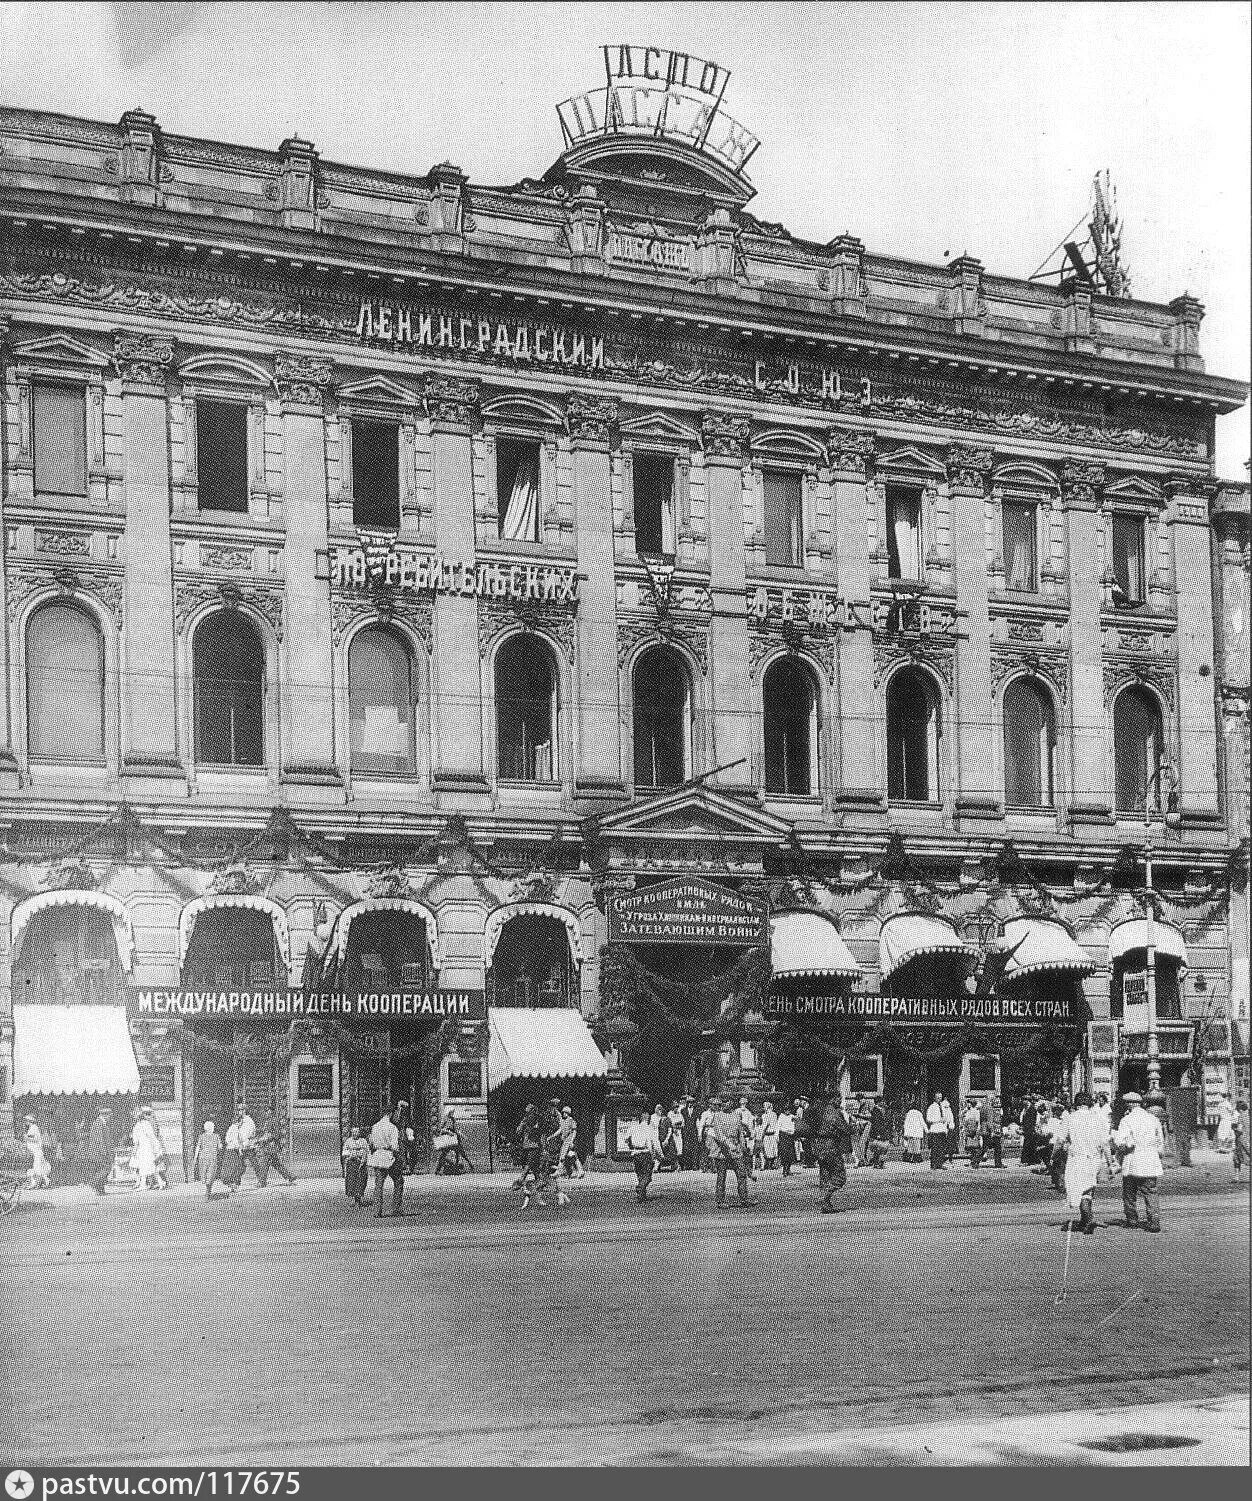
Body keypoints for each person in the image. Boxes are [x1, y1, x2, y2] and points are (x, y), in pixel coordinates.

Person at [1056, 1091, 1112, 1234]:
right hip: (1094, 1158)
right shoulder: (1098, 1118)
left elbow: (1060, 1140)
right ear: (1090, 1103)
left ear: (1076, 1103)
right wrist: (1110, 1161)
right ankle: (1085, 1218)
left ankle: (1088, 1219)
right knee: (1088, 1189)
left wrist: (1053, 1155)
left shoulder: (1070, 1118)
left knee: (1078, 1188)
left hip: (1077, 1158)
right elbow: (1105, 1143)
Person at [1113, 1091, 1164, 1232]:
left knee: (1129, 1193)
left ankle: (1132, 1219)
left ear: (1129, 1105)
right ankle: (1154, 1221)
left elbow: (1120, 1143)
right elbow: (1160, 1142)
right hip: (1150, 1160)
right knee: (1150, 1192)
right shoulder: (1153, 1119)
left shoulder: (1126, 1120)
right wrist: (1158, 1155)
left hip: (1133, 1160)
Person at [812, 1093, 853, 1212]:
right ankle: (825, 1198)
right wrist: (856, 1126)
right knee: (840, 1175)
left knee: (825, 1174)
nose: (840, 1101)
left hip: (818, 1147)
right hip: (831, 1148)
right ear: (833, 1099)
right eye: (839, 1099)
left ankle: (825, 1202)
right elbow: (846, 1129)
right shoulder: (835, 1114)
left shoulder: (821, 1112)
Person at [709, 1096, 752, 1208]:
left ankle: (744, 1199)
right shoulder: (717, 1116)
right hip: (722, 1150)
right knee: (721, 1176)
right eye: (722, 1102)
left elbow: (740, 1133)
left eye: (726, 1102)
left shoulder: (736, 1115)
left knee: (742, 1174)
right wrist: (729, 1145)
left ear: (731, 1102)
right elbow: (719, 1134)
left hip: (736, 1149)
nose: (724, 1104)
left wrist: (743, 1146)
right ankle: (720, 1201)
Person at [368, 1101, 407, 1219]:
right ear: (390, 1114)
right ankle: (396, 1208)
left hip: (378, 1156)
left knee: (378, 1184)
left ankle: (377, 1211)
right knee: (398, 1181)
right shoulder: (392, 1127)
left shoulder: (375, 1127)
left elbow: (371, 1143)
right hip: (389, 1157)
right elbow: (395, 1146)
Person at [625, 1107, 659, 1202]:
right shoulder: (649, 1129)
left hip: (635, 1154)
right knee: (647, 1176)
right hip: (645, 1153)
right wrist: (653, 1155)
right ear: (647, 1119)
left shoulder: (634, 1127)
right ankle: (640, 1188)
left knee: (639, 1174)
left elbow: (626, 1139)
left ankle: (642, 1196)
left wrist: (631, 1146)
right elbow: (650, 1144)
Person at [255, 1108, 297, 1185]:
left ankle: (262, 1182)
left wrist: (264, 1139)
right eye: (266, 1112)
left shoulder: (274, 1121)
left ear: (271, 1112)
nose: (266, 1113)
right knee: (276, 1164)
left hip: (271, 1146)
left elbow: (276, 1134)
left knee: (264, 1164)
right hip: (268, 1147)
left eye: (267, 1111)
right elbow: (267, 1133)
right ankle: (290, 1177)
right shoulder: (267, 1121)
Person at [130, 1105, 163, 1191]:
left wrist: (134, 1150)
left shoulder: (139, 1125)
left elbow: (136, 1141)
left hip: (144, 1148)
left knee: (145, 1166)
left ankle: (144, 1184)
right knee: (150, 1167)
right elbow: (152, 1137)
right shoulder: (145, 1124)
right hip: (147, 1147)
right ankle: (159, 1182)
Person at [433, 1109, 474, 1175]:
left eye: (453, 1112)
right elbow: (441, 1129)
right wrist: (448, 1132)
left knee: (460, 1152)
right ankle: (438, 1170)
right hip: (447, 1138)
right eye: (451, 1112)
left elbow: (456, 1129)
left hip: (454, 1138)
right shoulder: (445, 1119)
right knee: (443, 1154)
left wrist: (462, 1135)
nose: (452, 1113)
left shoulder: (453, 1119)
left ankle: (465, 1166)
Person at [86, 1106, 114, 1197]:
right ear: (105, 1115)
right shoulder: (98, 1123)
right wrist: (104, 1152)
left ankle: (100, 1189)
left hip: (100, 1152)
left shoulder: (102, 1123)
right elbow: (99, 1139)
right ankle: (93, 1183)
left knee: (99, 1170)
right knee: (105, 1169)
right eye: (110, 1115)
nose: (110, 1117)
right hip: (99, 1153)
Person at [193, 1119, 223, 1200]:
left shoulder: (201, 1136)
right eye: (213, 1126)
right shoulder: (216, 1136)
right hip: (212, 1157)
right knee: (210, 1174)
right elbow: (220, 1147)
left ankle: (207, 1188)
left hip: (202, 1158)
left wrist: (195, 1158)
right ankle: (208, 1191)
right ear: (211, 1128)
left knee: (204, 1174)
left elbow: (198, 1147)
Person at [342, 1124, 369, 1204]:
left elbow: (366, 1151)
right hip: (351, 1163)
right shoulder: (348, 1141)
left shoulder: (363, 1141)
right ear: (351, 1132)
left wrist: (362, 1159)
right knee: (351, 1181)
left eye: (357, 1131)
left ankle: (359, 1198)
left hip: (360, 1163)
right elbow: (345, 1152)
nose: (355, 1133)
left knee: (361, 1180)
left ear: (359, 1132)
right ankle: (352, 1198)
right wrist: (351, 1155)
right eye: (353, 1132)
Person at [22, 1115, 51, 1190]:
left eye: (26, 1121)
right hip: (33, 1151)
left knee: (37, 1168)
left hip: (37, 1151)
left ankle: (45, 1182)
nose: (25, 1122)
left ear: (30, 1121)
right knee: (35, 1168)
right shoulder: (31, 1128)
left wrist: (27, 1138)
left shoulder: (34, 1128)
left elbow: (36, 1139)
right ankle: (35, 1183)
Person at [219, 1112, 244, 1193]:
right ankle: (233, 1185)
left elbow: (227, 1140)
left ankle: (232, 1185)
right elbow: (236, 1141)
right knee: (236, 1168)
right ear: (239, 1122)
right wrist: (239, 1150)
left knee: (229, 1168)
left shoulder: (230, 1128)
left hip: (229, 1150)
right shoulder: (236, 1129)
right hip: (234, 1151)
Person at [980, 1092, 1005, 1169]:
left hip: (984, 1130)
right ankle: (998, 1163)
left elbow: (983, 1120)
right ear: (990, 1099)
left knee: (985, 1147)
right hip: (990, 1131)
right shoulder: (990, 1108)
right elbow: (990, 1121)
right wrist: (992, 1131)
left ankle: (975, 1161)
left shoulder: (983, 1107)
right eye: (993, 1099)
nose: (995, 1100)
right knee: (997, 1147)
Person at [558, 1106, 584, 1178]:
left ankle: (559, 1172)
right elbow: (560, 1130)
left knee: (562, 1156)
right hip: (565, 1141)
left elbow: (574, 1131)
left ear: (567, 1113)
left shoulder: (571, 1120)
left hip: (569, 1142)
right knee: (573, 1157)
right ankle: (580, 1171)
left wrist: (572, 1141)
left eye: (564, 1112)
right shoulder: (564, 1121)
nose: (563, 1114)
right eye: (563, 1112)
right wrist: (552, 1136)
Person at [925, 1092, 949, 1169]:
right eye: (938, 1098)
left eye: (940, 1097)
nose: (939, 1099)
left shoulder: (943, 1107)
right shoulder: (931, 1107)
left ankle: (940, 1164)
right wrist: (938, 1120)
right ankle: (934, 1164)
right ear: (934, 1098)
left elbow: (945, 1117)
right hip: (935, 1130)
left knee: (941, 1148)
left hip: (942, 1129)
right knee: (935, 1148)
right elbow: (928, 1119)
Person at [865, 1098, 891, 1168]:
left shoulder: (879, 1110)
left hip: (881, 1131)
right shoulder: (876, 1110)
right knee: (879, 1148)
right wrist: (878, 1134)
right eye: (882, 1101)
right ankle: (877, 1163)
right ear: (879, 1102)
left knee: (879, 1148)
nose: (883, 1103)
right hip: (878, 1132)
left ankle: (876, 1162)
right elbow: (876, 1123)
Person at [776, 1102, 797, 1176]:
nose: (787, 1111)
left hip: (790, 1136)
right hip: (783, 1135)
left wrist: (793, 1132)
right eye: (786, 1110)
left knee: (790, 1153)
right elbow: (778, 1127)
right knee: (784, 1153)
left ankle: (788, 1169)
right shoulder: (781, 1116)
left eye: (789, 1110)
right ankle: (784, 1169)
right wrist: (777, 1137)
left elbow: (794, 1125)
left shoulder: (792, 1116)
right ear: (784, 1110)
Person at [963, 1097, 984, 1168]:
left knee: (971, 1146)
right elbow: (978, 1121)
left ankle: (973, 1160)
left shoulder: (968, 1112)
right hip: (975, 1130)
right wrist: (978, 1129)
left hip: (969, 1130)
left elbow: (966, 1121)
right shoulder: (976, 1111)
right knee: (976, 1147)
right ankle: (975, 1161)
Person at [1232, 1099, 1248, 1183]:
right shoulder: (1248, 1116)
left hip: (1242, 1141)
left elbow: (1239, 1130)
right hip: (1249, 1140)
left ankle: (1236, 1177)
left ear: (1240, 1109)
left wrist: (1234, 1129)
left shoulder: (1241, 1117)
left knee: (1236, 1158)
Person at [1020, 1095, 1039, 1167]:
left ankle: (1026, 1160)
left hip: (1030, 1129)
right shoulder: (1026, 1109)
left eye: (1024, 1100)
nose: (1022, 1102)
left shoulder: (1032, 1109)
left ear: (1027, 1100)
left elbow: (1032, 1121)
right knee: (1030, 1145)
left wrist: (1028, 1129)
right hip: (1027, 1129)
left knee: (1028, 1144)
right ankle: (1032, 1160)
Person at [759, 1100, 779, 1169]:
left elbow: (765, 1125)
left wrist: (761, 1134)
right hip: (773, 1134)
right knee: (772, 1149)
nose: (763, 1108)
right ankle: (771, 1164)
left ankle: (769, 1164)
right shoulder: (774, 1114)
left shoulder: (765, 1115)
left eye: (764, 1107)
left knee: (768, 1149)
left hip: (768, 1134)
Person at [939, 1093, 956, 1162]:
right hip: (945, 1128)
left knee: (948, 1143)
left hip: (947, 1128)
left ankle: (948, 1156)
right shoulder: (945, 1109)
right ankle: (946, 1157)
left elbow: (950, 1119)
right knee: (946, 1143)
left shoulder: (946, 1109)